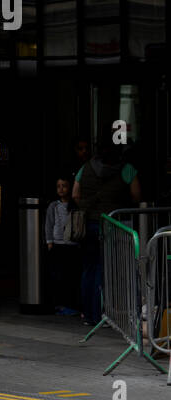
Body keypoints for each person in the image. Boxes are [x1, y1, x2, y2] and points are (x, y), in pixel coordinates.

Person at [73, 139, 141, 326]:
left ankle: (88, 314)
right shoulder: (127, 169)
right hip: (112, 224)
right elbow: (136, 195)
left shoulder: (86, 167)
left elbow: (75, 194)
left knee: (89, 269)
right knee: (106, 271)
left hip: (88, 224)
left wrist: (87, 208)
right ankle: (102, 314)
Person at [44, 176, 81, 315]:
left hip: (72, 244)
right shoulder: (53, 205)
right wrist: (49, 242)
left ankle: (71, 305)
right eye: (58, 186)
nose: (61, 189)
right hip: (58, 244)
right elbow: (49, 224)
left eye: (64, 186)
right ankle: (60, 305)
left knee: (71, 276)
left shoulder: (75, 204)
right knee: (58, 276)